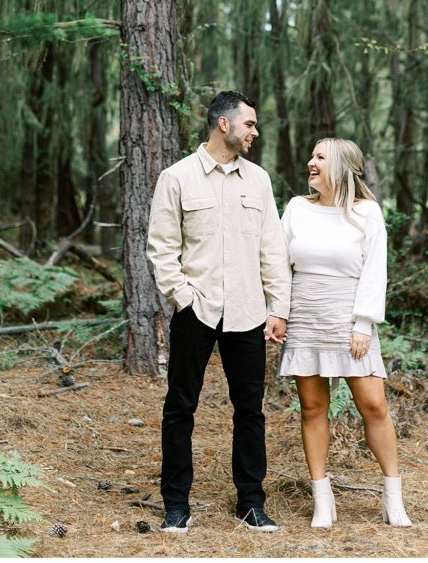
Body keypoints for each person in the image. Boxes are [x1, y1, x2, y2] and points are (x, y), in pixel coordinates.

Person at [146, 90, 291, 534]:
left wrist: (278, 307)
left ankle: (251, 503)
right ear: (223, 125)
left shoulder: (259, 180)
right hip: (197, 310)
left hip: (248, 312)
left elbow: (272, 248)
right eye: (249, 124)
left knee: (250, 409)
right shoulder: (177, 178)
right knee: (180, 407)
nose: (255, 132)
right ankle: (176, 504)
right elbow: (162, 248)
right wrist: (184, 296)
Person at [278, 138, 412, 529]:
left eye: (320, 157)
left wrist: (364, 324)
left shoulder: (366, 212)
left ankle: (392, 496)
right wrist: (279, 312)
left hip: (348, 317)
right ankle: (323, 498)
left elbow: (375, 270)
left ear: (341, 166)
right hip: (305, 315)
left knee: (373, 404)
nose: (310, 162)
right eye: (312, 156)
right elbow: (278, 263)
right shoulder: (297, 209)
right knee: (313, 407)